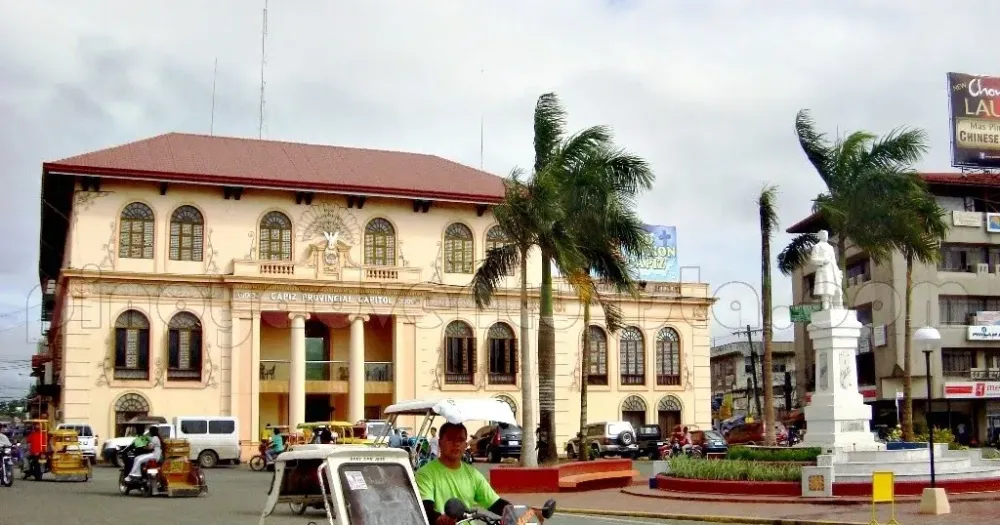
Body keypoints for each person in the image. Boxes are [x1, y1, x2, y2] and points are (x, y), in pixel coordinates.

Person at [416, 423, 512, 525]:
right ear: (440, 443)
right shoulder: (425, 474)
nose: (456, 443)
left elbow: (495, 503)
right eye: (451, 439)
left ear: (466, 445)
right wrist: (441, 520)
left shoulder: (473, 474)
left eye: (461, 440)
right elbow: (425, 509)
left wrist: (515, 512)